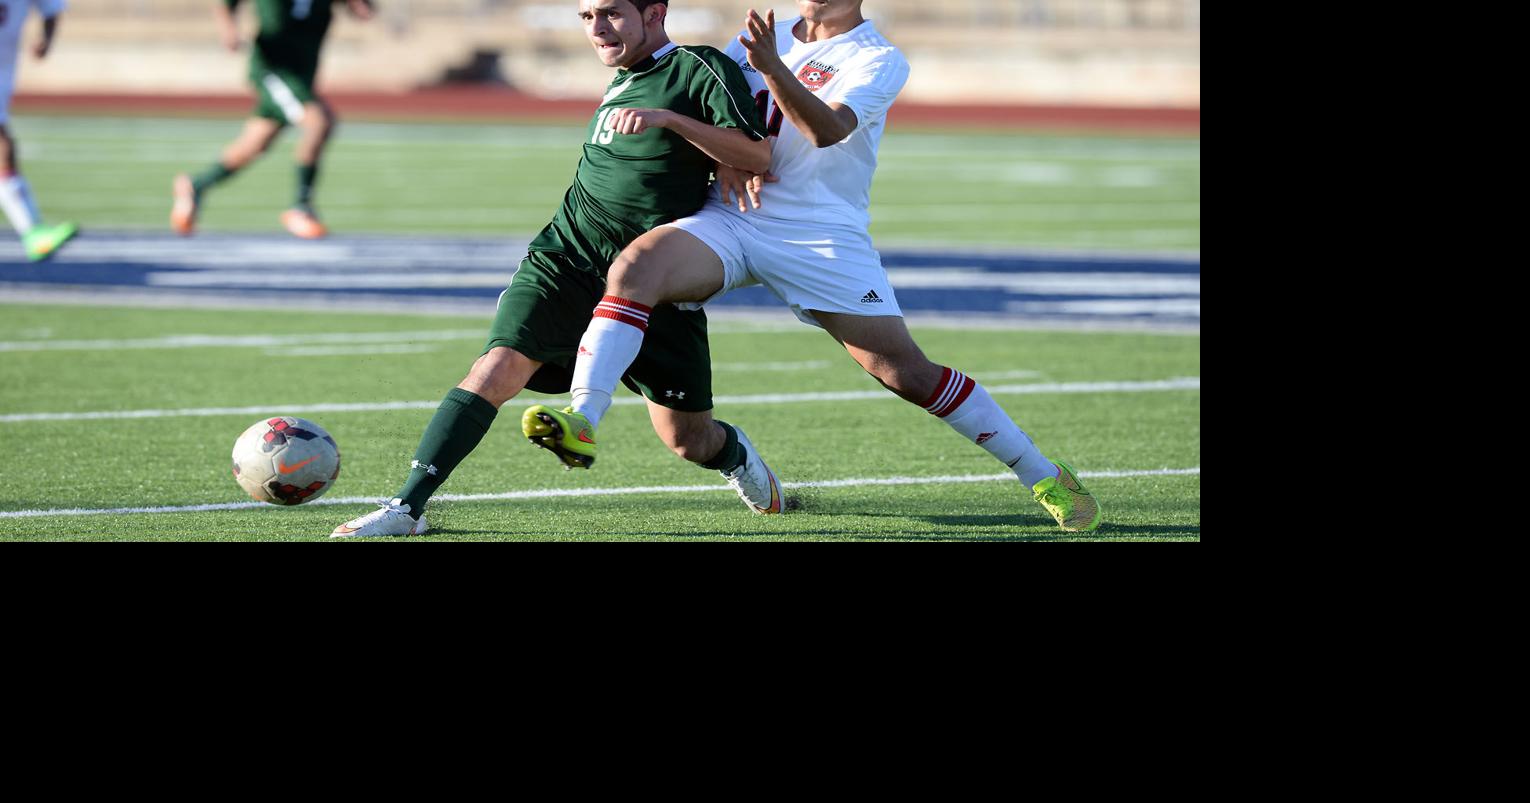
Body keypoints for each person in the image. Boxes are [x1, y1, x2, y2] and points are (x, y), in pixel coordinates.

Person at [534, 0, 1101, 532]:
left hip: (819, 235)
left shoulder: (876, 57)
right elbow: (720, 113)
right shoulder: (758, 38)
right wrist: (723, 156)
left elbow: (826, 131)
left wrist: (775, 68)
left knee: (904, 372)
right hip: (731, 219)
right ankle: (583, 418)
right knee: (636, 269)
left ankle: (1042, 474)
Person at [332, 0, 780, 538]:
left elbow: (757, 155)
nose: (597, 27)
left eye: (611, 12)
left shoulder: (697, 66)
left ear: (655, 13)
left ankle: (734, 457)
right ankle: (406, 508)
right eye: (587, 16)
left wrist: (670, 120)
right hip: (564, 259)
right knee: (494, 370)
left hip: (653, 280)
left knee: (690, 440)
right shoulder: (622, 77)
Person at [171, 0, 374, 240]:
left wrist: (362, 7)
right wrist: (229, 30)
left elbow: (362, 10)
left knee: (253, 145)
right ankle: (301, 207)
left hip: (302, 76)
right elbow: (225, 4)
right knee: (319, 121)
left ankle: (196, 186)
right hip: (274, 71)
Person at [1, 0, 77, 262]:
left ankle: (33, 232)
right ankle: (32, 232)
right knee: (3, 146)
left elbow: (51, 9)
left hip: (3, 70)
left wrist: (46, 39)